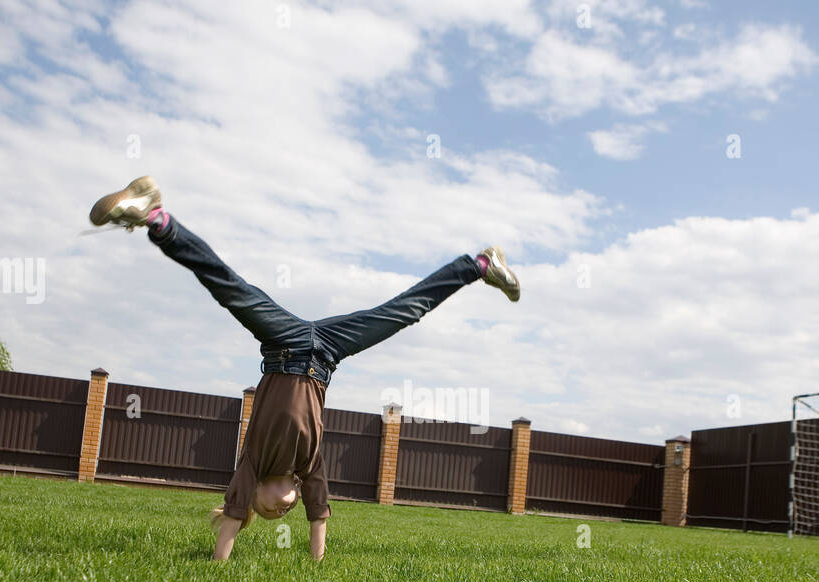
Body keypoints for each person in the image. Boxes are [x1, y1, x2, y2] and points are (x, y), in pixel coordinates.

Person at [90, 176, 521, 561]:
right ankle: (480, 266)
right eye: (287, 508)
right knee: (403, 313)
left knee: (229, 288)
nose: (283, 506)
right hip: (327, 353)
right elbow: (319, 515)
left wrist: (221, 556)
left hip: (284, 344)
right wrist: (317, 560)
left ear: (252, 493)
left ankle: (156, 217)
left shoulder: (253, 463)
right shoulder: (308, 465)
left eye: (268, 508)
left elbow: (231, 519)